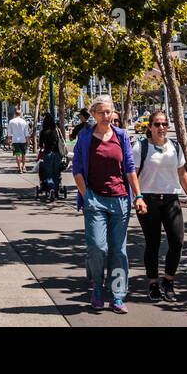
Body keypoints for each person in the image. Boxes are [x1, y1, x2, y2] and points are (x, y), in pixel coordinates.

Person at [72, 97, 143, 313]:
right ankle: (97, 285)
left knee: (118, 251)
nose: (106, 116)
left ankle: (118, 295)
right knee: (97, 247)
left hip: (120, 200)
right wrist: (87, 196)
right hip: (95, 199)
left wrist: (138, 196)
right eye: (101, 112)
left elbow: (130, 167)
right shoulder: (85, 137)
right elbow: (77, 169)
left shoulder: (121, 136)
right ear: (93, 114)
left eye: (109, 112)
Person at [135, 108, 187, 302]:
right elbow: (132, 174)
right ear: (150, 127)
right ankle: (153, 283)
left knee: (177, 242)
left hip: (171, 199)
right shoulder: (140, 147)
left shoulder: (174, 146)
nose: (161, 127)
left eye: (164, 124)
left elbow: (182, 173)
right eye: (157, 124)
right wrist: (137, 197)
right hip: (148, 201)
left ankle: (168, 281)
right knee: (152, 244)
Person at [38, 113, 65, 201]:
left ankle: (51, 189)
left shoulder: (43, 132)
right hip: (57, 154)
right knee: (56, 174)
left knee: (48, 174)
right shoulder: (56, 131)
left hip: (47, 154)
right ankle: (56, 193)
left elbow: (41, 145)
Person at [7, 108, 30, 174]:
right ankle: (24, 166)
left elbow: (9, 132)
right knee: (23, 154)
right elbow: (26, 133)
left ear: (14, 114)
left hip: (15, 141)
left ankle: (19, 168)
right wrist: (28, 141)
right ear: (20, 114)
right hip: (23, 140)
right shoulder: (24, 122)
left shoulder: (11, 121)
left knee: (17, 155)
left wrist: (9, 140)